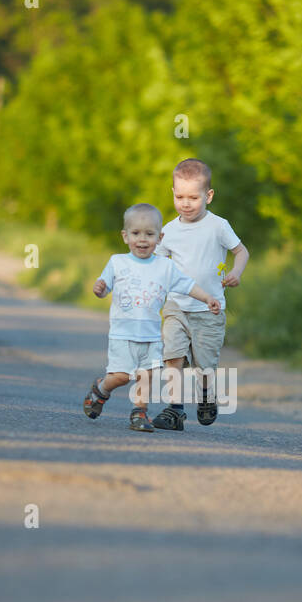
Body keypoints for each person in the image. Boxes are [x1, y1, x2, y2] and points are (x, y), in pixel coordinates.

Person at [82, 203, 221, 432]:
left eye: (149, 234)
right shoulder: (118, 262)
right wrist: (100, 289)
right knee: (121, 376)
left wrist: (207, 297)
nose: (143, 240)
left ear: (160, 237)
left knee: (145, 376)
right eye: (136, 233)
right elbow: (104, 287)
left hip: (150, 336)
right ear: (125, 236)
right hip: (123, 334)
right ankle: (101, 389)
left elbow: (187, 285)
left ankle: (139, 412)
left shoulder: (165, 266)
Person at [151, 158, 249, 431]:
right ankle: (175, 410)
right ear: (172, 193)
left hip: (209, 310)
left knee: (204, 366)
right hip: (176, 307)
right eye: (180, 196)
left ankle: (207, 396)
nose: (186, 203)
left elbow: (241, 251)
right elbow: (158, 266)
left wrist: (237, 272)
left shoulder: (218, 226)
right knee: (173, 357)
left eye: (193, 197)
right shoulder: (167, 231)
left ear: (208, 196)